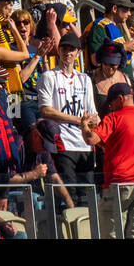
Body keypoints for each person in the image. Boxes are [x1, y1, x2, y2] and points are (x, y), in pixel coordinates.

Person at [79, 82, 134, 240]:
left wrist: (84, 126)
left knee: (111, 234)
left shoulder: (113, 117)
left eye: (111, 103)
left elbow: (91, 139)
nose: (110, 107)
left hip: (118, 184)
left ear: (120, 99)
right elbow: (118, 145)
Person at [36, 34, 97, 189]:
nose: (68, 52)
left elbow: (93, 113)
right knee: (70, 194)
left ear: (78, 53)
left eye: (72, 49)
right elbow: (46, 110)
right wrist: (78, 120)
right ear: (59, 51)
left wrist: (95, 127)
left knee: (88, 194)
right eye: (64, 48)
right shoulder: (49, 76)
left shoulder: (84, 79)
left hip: (85, 145)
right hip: (63, 144)